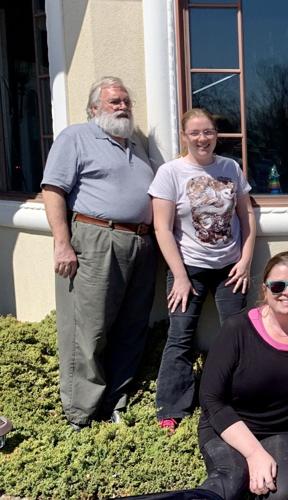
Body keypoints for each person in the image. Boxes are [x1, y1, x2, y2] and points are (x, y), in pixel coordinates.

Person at [41, 76, 156, 430]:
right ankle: (81, 414)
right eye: (114, 101)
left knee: (131, 327)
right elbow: (53, 189)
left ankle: (115, 403)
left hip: (141, 243)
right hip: (95, 239)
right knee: (88, 330)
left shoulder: (136, 144)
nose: (123, 106)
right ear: (94, 108)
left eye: (126, 101)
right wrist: (62, 242)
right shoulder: (75, 137)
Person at [197, 251, 288, 500]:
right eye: (278, 286)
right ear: (265, 290)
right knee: (231, 482)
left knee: (284, 493)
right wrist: (254, 454)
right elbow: (211, 399)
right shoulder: (237, 329)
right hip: (231, 426)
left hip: (286, 430)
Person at [150, 108, 257, 433]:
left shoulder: (230, 167)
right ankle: (171, 406)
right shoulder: (170, 173)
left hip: (230, 269)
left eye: (208, 132)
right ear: (184, 136)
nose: (202, 138)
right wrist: (180, 276)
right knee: (180, 336)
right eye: (195, 132)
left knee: (236, 337)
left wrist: (245, 261)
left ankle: (236, 400)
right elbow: (161, 228)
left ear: (216, 134)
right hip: (189, 270)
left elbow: (246, 216)